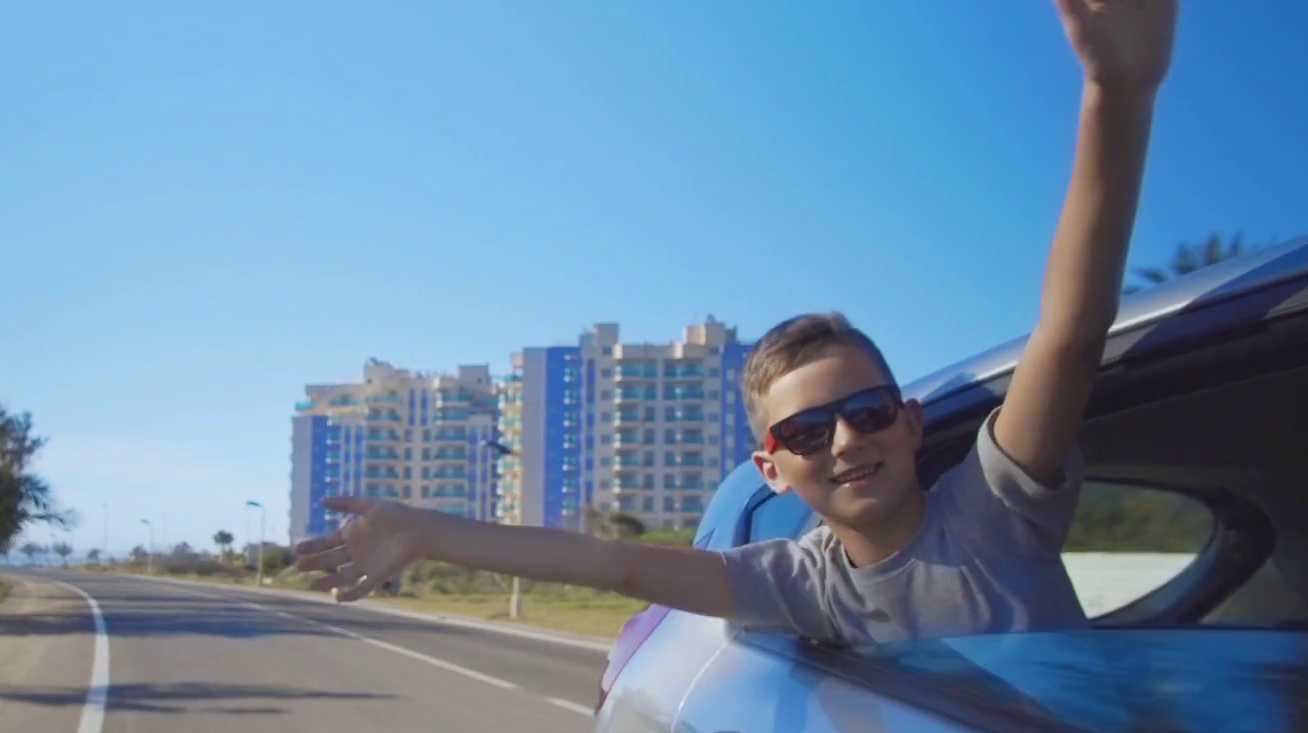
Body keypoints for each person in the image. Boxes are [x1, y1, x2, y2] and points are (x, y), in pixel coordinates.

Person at [293, 0, 1177, 648]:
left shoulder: (992, 514)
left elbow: (1069, 330)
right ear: (772, 468)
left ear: (909, 423)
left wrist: (1118, 89)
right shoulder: (801, 584)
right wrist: (424, 529)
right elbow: (617, 568)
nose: (843, 440)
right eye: (805, 429)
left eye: (867, 410)